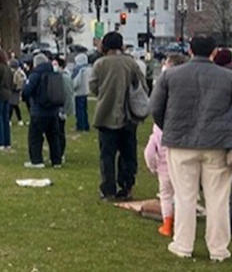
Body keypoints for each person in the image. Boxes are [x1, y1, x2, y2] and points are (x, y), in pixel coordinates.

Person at [150, 36, 232, 262]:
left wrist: (170, 128)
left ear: (190, 49)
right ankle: (218, 249)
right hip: (217, 144)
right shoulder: (228, 78)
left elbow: (156, 107)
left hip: (181, 142)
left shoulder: (170, 75)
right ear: (214, 52)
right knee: (218, 199)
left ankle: (183, 244)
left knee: (184, 196)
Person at [89, 31, 146, 201]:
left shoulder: (100, 64)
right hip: (128, 115)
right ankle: (126, 186)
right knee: (128, 153)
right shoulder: (131, 63)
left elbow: (93, 86)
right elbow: (142, 85)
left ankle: (108, 189)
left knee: (107, 155)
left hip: (106, 114)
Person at [22, 54, 63, 168]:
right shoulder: (54, 73)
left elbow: (27, 90)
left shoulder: (35, 74)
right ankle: (56, 160)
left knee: (35, 136)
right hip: (53, 110)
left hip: (39, 110)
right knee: (54, 136)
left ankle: (36, 160)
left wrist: (26, 98)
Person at [71, 53, 91, 132]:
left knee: (79, 111)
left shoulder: (79, 70)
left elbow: (76, 82)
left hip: (78, 93)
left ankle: (80, 126)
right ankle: (86, 126)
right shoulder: (87, 69)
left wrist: (72, 86)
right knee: (84, 110)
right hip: (85, 91)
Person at [9, 59, 26, 126]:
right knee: (15, 106)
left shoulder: (16, 73)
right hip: (17, 90)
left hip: (14, 90)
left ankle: (9, 120)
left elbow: (14, 82)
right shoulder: (21, 72)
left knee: (11, 106)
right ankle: (19, 120)